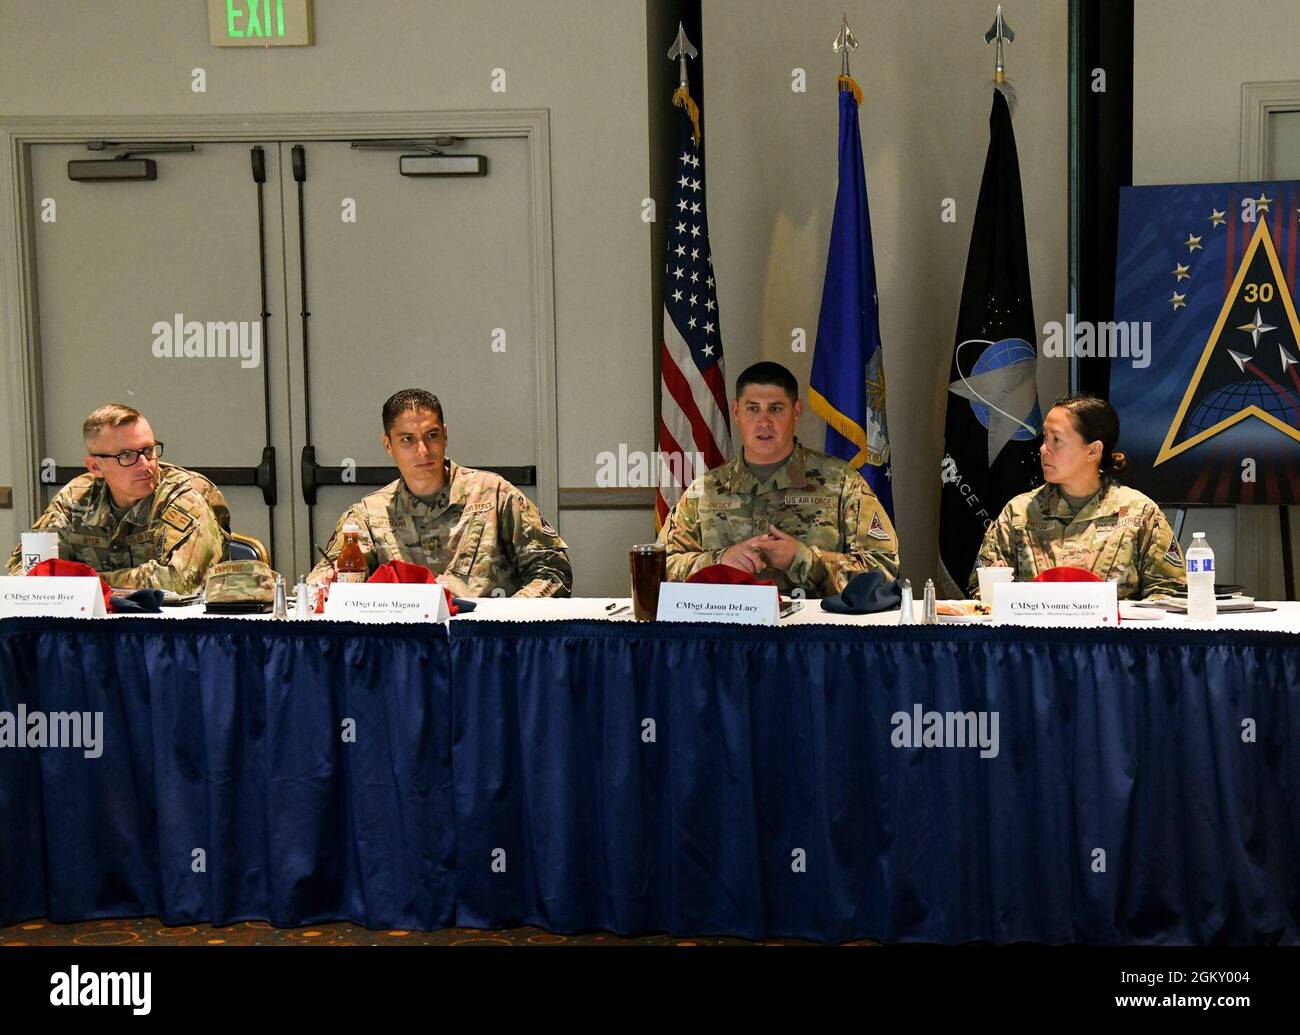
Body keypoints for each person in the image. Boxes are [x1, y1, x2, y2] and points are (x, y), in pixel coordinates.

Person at [657, 361, 899, 597]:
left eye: (775, 409)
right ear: (736, 412)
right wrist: (719, 561)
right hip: (728, 632)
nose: (764, 422)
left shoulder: (842, 484)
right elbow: (659, 568)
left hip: (814, 633)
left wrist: (804, 560)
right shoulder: (705, 491)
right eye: (753, 408)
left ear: (796, 412)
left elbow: (883, 570)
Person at [307, 388, 572, 597]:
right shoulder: (368, 515)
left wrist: (506, 621)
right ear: (388, 444)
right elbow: (326, 579)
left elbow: (552, 570)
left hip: (483, 646)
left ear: (445, 436)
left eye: (432, 435)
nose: (423, 451)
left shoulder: (493, 495)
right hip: (405, 650)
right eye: (407, 439)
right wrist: (330, 583)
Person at [970, 393, 1187, 600]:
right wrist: (996, 589)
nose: (1044, 449)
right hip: (1034, 638)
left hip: (1111, 638)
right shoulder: (1018, 513)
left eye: (1057, 439)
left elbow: (1170, 596)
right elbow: (980, 591)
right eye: (1045, 438)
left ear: (1093, 451)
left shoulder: (1140, 514)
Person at [5, 403, 226, 594]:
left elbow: (182, 581)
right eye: (126, 456)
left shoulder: (184, 496)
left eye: (148, 450)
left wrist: (81, 584)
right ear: (95, 466)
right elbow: (25, 570)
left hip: (179, 634)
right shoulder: (77, 498)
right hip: (95, 630)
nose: (145, 464)